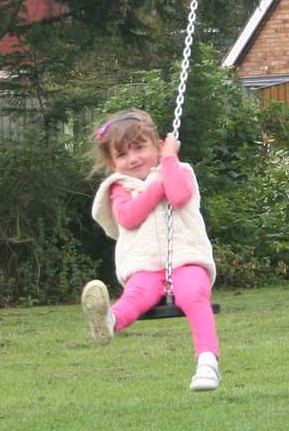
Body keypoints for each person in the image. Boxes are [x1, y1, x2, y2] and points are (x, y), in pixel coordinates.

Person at [82, 109, 220, 392]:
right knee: (136, 296)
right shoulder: (119, 187)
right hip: (143, 265)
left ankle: (207, 362)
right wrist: (157, 188)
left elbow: (179, 197)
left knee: (193, 294)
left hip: (186, 259)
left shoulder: (179, 171)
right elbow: (129, 217)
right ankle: (108, 321)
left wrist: (169, 159)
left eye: (139, 148)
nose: (133, 159)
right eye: (122, 155)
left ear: (158, 146)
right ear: (112, 162)